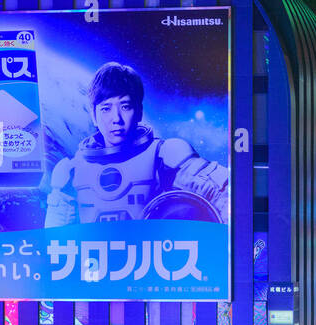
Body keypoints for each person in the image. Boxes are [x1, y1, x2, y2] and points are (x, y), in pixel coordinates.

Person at [44, 61, 227, 227]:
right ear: (93, 115)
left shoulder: (167, 156)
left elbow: (227, 197)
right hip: (93, 262)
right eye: (106, 109)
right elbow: (54, 245)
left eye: (125, 107)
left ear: (139, 111)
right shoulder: (70, 172)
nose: (116, 119)